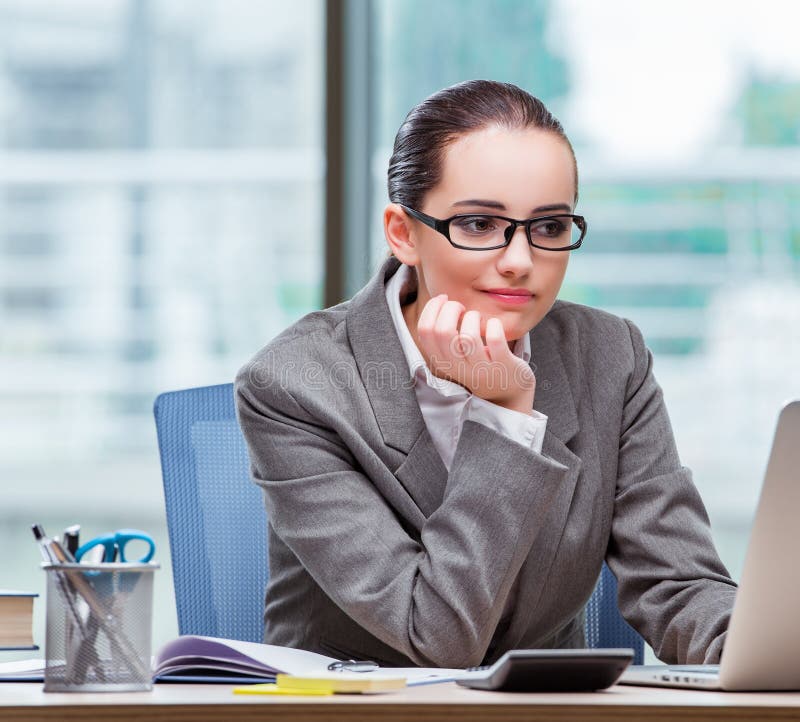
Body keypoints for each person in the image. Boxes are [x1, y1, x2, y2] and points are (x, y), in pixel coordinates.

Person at [235, 79, 737, 669]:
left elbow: (677, 586)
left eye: (549, 227)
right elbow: (436, 638)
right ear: (404, 233)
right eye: (478, 225)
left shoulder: (610, 356)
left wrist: (757, 647)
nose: (521, 261)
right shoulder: (296, 385)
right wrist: (503, 415)